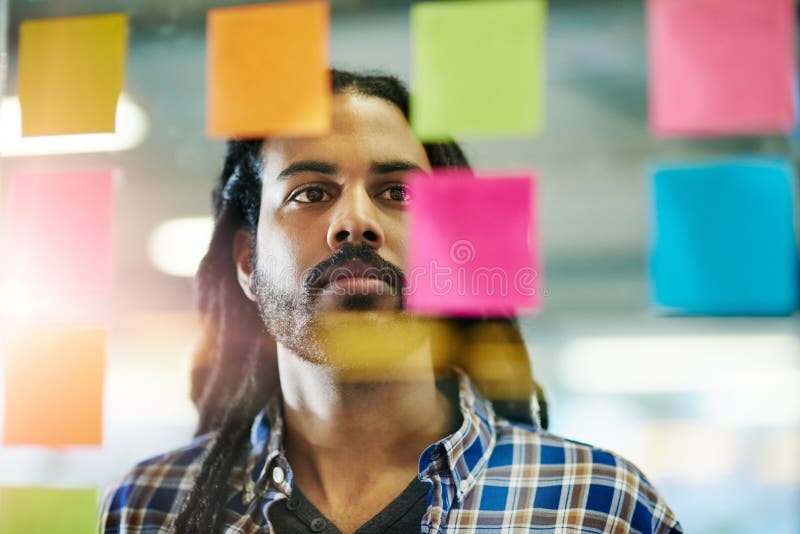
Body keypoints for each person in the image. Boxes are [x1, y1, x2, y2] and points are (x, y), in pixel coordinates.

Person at [100, 70, 682, 533]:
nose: (355, 222)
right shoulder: (152, 508)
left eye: (397, 192)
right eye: (310, 193)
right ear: (249, 263)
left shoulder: (597, 506)